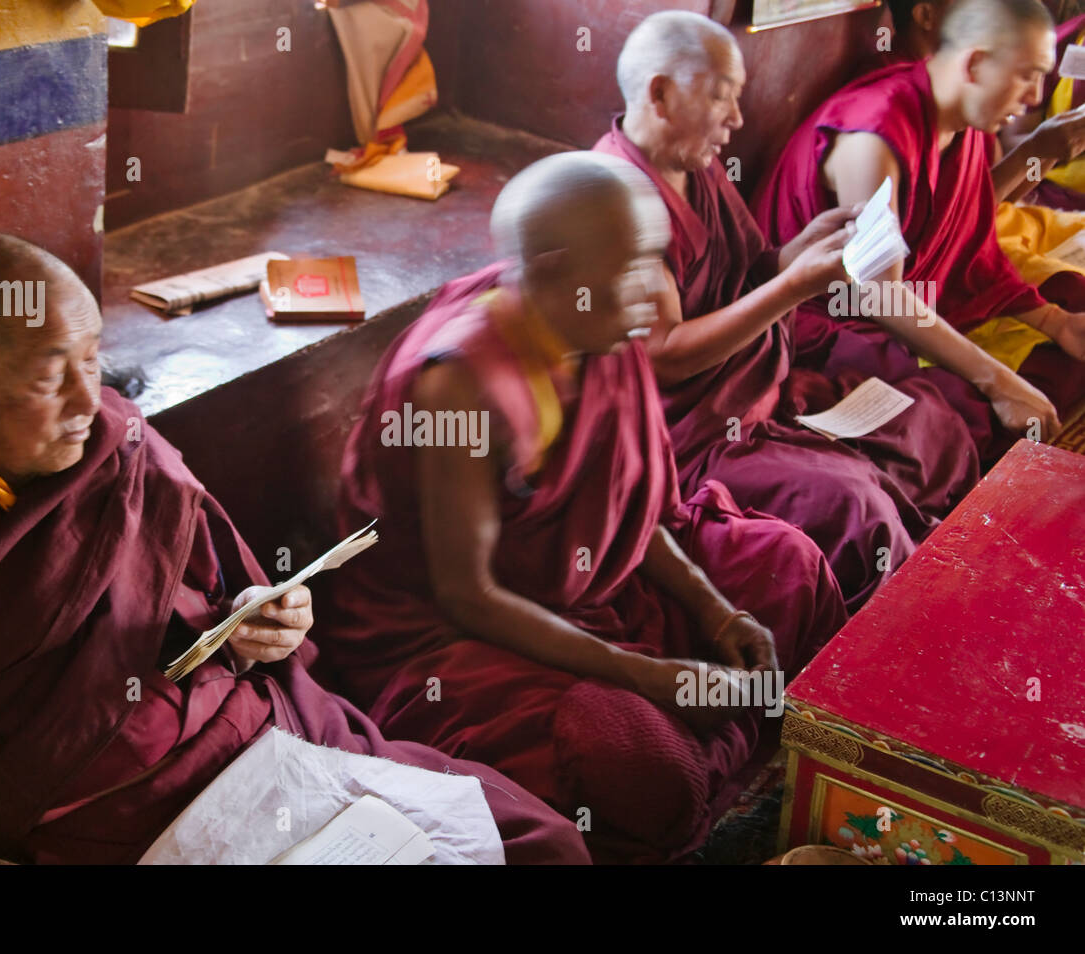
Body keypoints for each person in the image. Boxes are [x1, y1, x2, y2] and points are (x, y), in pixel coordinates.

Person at [0, 233, 589, 865]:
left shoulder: (120, 443)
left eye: (91, 360)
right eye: (49, 378)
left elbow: (213, 605)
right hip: (121, 826)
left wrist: (253, 624)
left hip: (266, 746)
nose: (87, 400)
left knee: (537, 841)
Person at [318, 152, 848, 864]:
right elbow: (466, 595)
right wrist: (646, 675)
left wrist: (715, 608)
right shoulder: (459, 383)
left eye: (657, 264)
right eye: (632, 269)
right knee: (642, 771)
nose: (655, 297)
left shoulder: (596, 330)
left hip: (589, 590)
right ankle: (699, 748)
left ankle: (709, 733)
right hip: (449, 639)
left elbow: (631, 506)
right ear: (556, 270)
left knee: (791, 569)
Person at [592, 11, 981, 610]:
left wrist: (799, 250)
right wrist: (796, 285)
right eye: (723, 98)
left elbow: (753, 271)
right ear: (661, 95)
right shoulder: (620, 197)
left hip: (762, 391)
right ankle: (866, 669)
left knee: (932, 422)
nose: (738, 120)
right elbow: (664, 357)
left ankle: (932, 589)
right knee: (861, 509)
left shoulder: (695, 162)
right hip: (693, 443)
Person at [754, 0, 1085, 459]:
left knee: (1063, 332)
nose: (1033, 97)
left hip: (896, 308)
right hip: (819, 321)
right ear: (975, 63)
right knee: (961, 420)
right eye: (1027, 75)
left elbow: (969, 247)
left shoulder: (961, 125)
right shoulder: (875, 135)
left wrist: (1057, 323)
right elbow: (876, 293)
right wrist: (1000, 381)